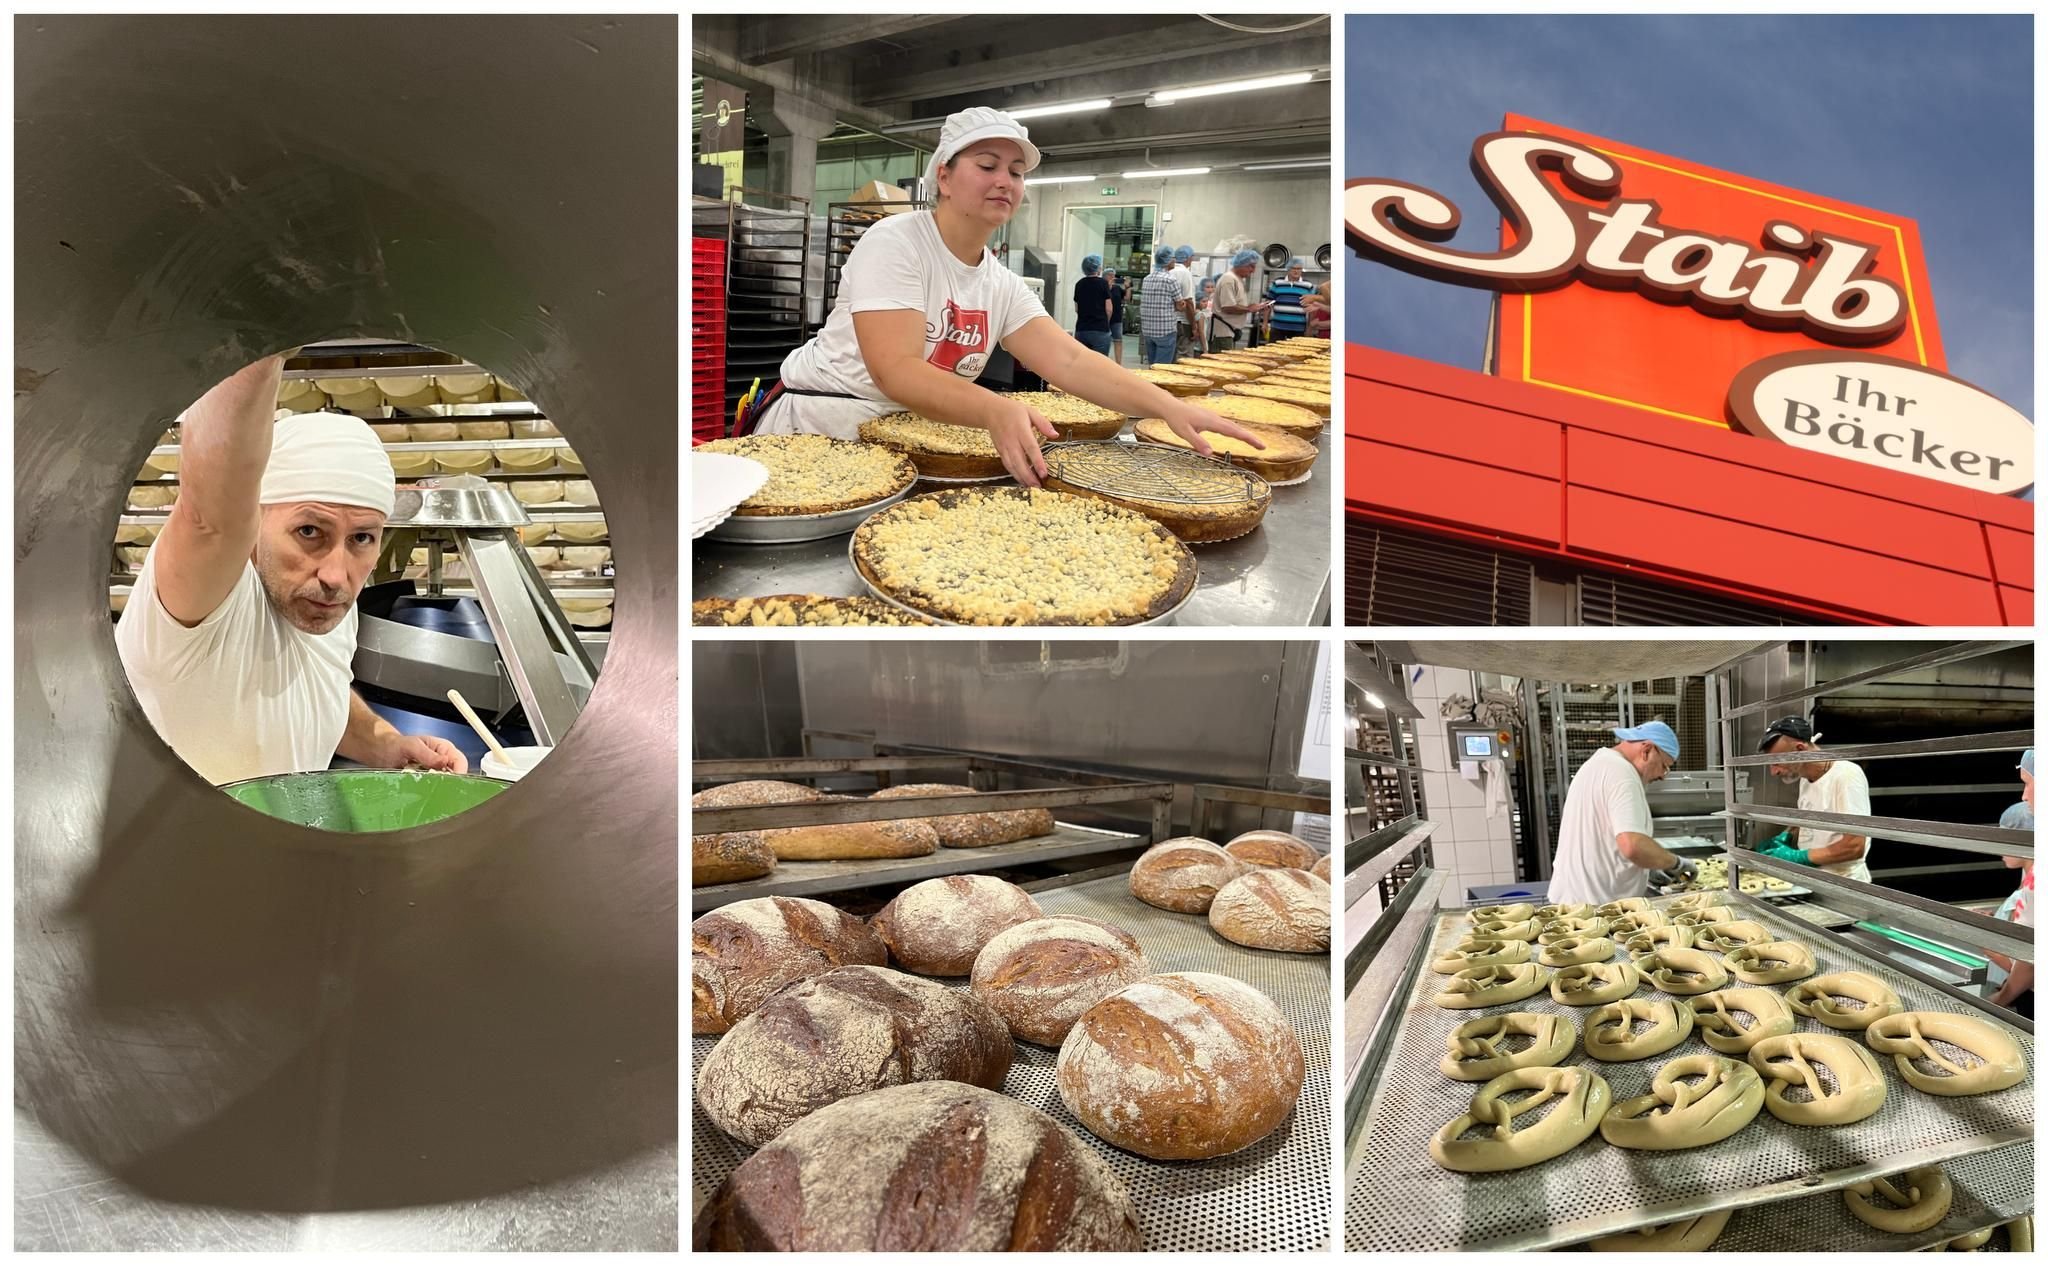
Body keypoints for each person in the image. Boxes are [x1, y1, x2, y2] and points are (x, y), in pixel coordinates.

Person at [746, 107, 1261, 483]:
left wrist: (1165, 406)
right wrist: (993, 408)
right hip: (819, 431)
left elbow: (1069, 361)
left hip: (908, 440)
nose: (1005, 182)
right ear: (943, 177)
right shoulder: (897, 241)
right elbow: (895, 369)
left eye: (1016, 173)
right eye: (987, 165)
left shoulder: (1000, 282)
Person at [116, 355, 468, 786]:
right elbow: (211, 521)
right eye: (308, 530)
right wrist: (260, 342)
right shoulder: (203, 604)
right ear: (254, 520)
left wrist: (385, 743)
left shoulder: (322, 598)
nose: (337, 575)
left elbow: (318, 689)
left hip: (284, 844)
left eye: (361, 538)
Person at [1547, 721, 1696, 905]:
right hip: (1592, 908)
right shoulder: (1622, 774)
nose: (1663, 775)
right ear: (1647, 750)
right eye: (1664, 766)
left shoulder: (1600, 764)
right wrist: (1676, 863)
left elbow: (1605, 838)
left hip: (1578, 899)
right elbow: (1632, 845)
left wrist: (1648, 867)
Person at [1752, 715, 1872, 883]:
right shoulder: (1805, 778)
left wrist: (1799, 857)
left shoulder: (1846, 776)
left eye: (1777, 763)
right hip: (1812, 880)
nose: (1774, 772)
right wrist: (1783, 837)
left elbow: (1854, 846)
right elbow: (1807, 819)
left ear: (1800, 750)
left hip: (1843, 884)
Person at [1985, 750, 2034, 1018]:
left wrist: (1984, 938)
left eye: (2028, 783)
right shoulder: (2026, 889)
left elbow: (2029, 963)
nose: (2025, 795)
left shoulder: (2033, 888)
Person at [1210, 249, 1275, 352]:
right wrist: (1250, 309)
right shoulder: (1229, 279)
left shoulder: (1238, 280)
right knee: (1222, 364)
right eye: (1251, 266)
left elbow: (1237, 304)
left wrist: (1257, 307)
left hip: (1230, 331)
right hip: (1222, 333)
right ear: (1241, 264)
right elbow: (1228, 307)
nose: (1253, 271)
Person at [1139, 246, 1182, 366]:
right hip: (1165, 331)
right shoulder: (1170, 280)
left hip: (1148, 330)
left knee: (1153, 366)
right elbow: (1179, 305)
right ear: (1168, 261)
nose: (1175, 260)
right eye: (1173, 257)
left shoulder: (1147, 279)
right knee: (1162, 369)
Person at [1070, 254, 1112, 357]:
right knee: (1100, 363)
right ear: (1098, 268)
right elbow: (1109, 309)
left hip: (1082, 329)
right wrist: (1106, 322)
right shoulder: (1103, 283)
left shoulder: (1079, 284)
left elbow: (1077, 308)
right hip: (1100, 329)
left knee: (1082, 362)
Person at [1265, 258, 1315, 339]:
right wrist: (1265, 323)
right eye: (1293, 268)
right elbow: (1268, 304)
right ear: (1288, 269)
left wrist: (1309, 328)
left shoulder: (1308, 286)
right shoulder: (1277, 283)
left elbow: (1312, 309)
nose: (1296, 271)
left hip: (1298, 328)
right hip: (1277, 327)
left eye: (1299, 269)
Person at [1171, 245, 1200, 357]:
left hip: (1170, 321)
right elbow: (1188, 302)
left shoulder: (1170, 271)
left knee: (1172, 355)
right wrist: (1194, 326)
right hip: (1183, 322)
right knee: (1183, 355)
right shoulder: (1185, 273)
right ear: (1188, 258)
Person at [1105, 268, 1126, 365]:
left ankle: (1118, 363)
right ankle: (1104, 362)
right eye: (1109, 275)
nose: (1112, 277)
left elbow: (1126, 298)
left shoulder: (1117, 288)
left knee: (1118, 340)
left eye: (1113, 275)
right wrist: (1108, 286)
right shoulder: (1102, 286)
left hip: (1116, 318)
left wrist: (1128, 287)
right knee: (1105, 341)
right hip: (1104, 318)